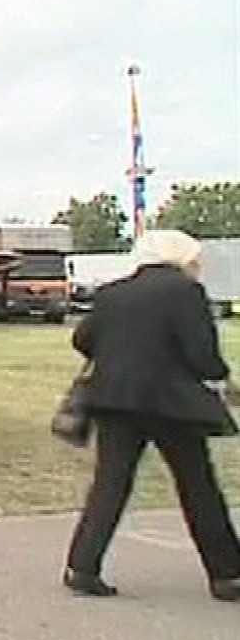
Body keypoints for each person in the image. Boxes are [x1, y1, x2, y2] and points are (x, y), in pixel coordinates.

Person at [63, 228, 238, 601]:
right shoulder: (186, 293)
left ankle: (82, 566)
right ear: (182, 258)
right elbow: (202, 356)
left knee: (110, 484)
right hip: (172, 403)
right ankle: (226, 574)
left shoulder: (112, 293)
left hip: (114, 400)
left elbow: (82, 340)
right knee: (198, 486)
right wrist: (220, 377)